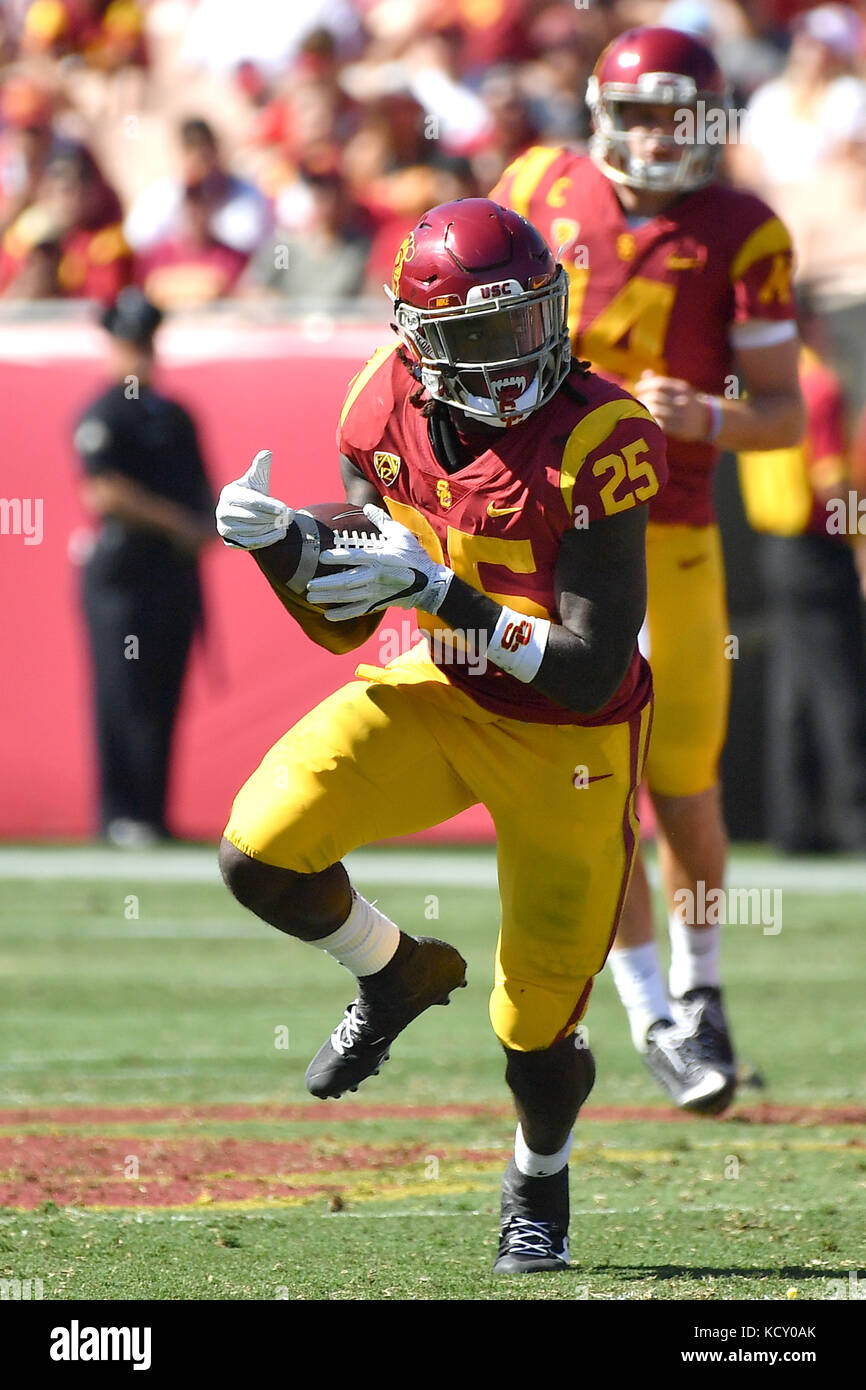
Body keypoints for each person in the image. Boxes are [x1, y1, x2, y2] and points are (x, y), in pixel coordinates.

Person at [215, 197, 668, 1274]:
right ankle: (392, 970)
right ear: (419, 346)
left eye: (527, 322)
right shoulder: (376, 411)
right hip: (440, 689)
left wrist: (442, 589)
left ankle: (537, 1183)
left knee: (533, 1030)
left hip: (572, 738)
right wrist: (282, 550)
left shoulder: (603, 434)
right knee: (259, 852)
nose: (515, 356)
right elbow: (344, 622)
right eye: (480, 336)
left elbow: (591, 667)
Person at [491, 26, 804, 1113]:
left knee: (682, 788)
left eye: (671, 112)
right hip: (549, 540)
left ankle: (702, 987)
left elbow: (780, 417)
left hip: (667, 540)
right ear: (596, 110)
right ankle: (649, 1014)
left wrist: (707, 415)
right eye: (632, 111)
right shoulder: (534, 180)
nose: (648, 134)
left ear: (709, 122)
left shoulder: (743, 232)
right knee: (593, 788)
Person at [75, 289, 215, 847]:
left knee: (164, 690)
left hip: (172, 574)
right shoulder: (104, 413)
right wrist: (182, 525)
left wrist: (209, 524)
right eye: (132, 342)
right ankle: (120, 811)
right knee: (123, 687)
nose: (142, 353)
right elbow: (104, 492)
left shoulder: (176, 415)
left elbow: (204, 488)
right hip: (124, 573)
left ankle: (152, 813)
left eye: (147, 341)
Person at [739, 341, 866, 853]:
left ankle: (794, 825)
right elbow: (832, 485)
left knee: (794, 687)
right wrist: (860, 542)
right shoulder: (819, 386)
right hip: (818, 551)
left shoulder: (766, 389)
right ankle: (857, 821)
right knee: (841, 686)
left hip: (776, 549)